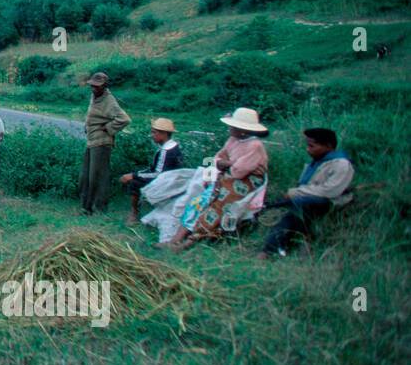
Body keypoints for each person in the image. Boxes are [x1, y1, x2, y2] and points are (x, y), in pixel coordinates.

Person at [166, 108, 270, 251]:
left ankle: (189, 241)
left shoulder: (255, 146)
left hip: (247, 182)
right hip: (229, 177)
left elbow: (238, 171)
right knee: (199, 200)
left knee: (218, 205)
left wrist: (226, 164)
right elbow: (217, 159)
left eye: (233, 126)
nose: (229, 128)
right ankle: (175, 240)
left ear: (243, 129)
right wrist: (227, 164)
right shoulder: (233, 140)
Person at [257, 128, 355, 259]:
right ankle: (280, 246)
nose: (308, 149)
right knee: (287, 209)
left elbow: (330, 191)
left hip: (331, 201)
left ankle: (272, 249)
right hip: (309, 199)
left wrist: (296, 193)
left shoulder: (341, 164)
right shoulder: (317, 162)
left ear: (328, 146)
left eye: (312, 146)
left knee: (296, 211)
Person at [79, 72, 131, 214]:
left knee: (98, 176)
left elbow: (124, 119)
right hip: (92, 140)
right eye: (92, 86)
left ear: (104, 86)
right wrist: (87, 125)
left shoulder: (109, 100)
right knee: (86, 175)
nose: (94, 88)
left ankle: (99, 208)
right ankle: (86, 207)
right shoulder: (95, 97)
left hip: (102, 142)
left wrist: (107, 128)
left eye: (97, 86)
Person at [121, 117, 183, 225]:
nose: (152, 135)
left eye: (154, 133)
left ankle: (134, 213)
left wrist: (134, 176)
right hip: (170, 179)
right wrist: (136, 174)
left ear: (164, 134)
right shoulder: (172, 146)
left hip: (166, 182)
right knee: (134, 175)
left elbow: (158, 174)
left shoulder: (166, 151)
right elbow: (154, 169)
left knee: (134, 183)